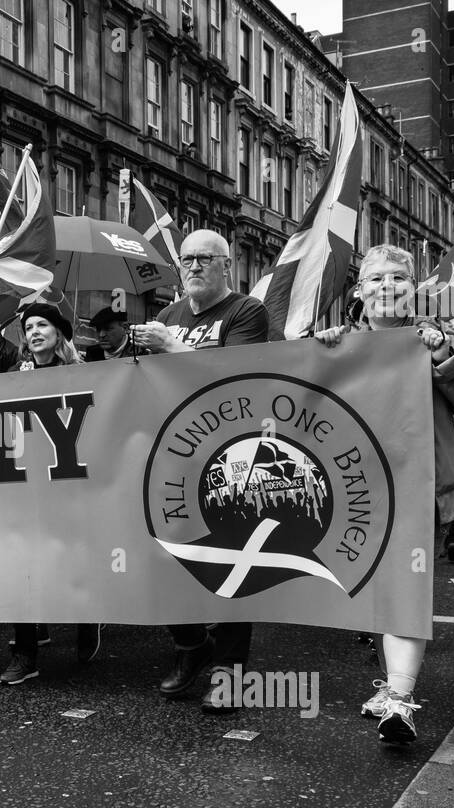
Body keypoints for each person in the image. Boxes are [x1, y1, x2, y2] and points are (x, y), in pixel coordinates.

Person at [314, 243, 454, 745]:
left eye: (397, 277)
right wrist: (321, 355)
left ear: (413, 287)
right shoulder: (339, 341)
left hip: (420, 486)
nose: (387, 286)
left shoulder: (439, 336)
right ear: (359, 290)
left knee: (406, 586)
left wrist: (442, 355)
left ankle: (400, 699)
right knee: (373, 586)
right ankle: (391, 682)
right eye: (376, 279)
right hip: (354, 489)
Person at [130, 230, 270, 713]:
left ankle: (230, 673)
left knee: (233, 563)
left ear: (225, 265)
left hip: (230, 456)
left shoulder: (246, 312)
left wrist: (171, 347)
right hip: (175, 454)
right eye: (186, 259)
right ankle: (191, 648)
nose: (193, 266)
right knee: (166, 556)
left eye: (204, 259)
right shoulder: (169, 316)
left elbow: (239, 377)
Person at [0, 288, 102, 682]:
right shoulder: (18, 368)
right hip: (26, 484)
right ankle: (24, 654)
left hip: (71, 484)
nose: (34, 332)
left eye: (43, 325)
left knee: (71, 559)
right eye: (28, 328)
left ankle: (86, 618)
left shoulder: (85, 372)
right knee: (21, 565)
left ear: (60, 333)